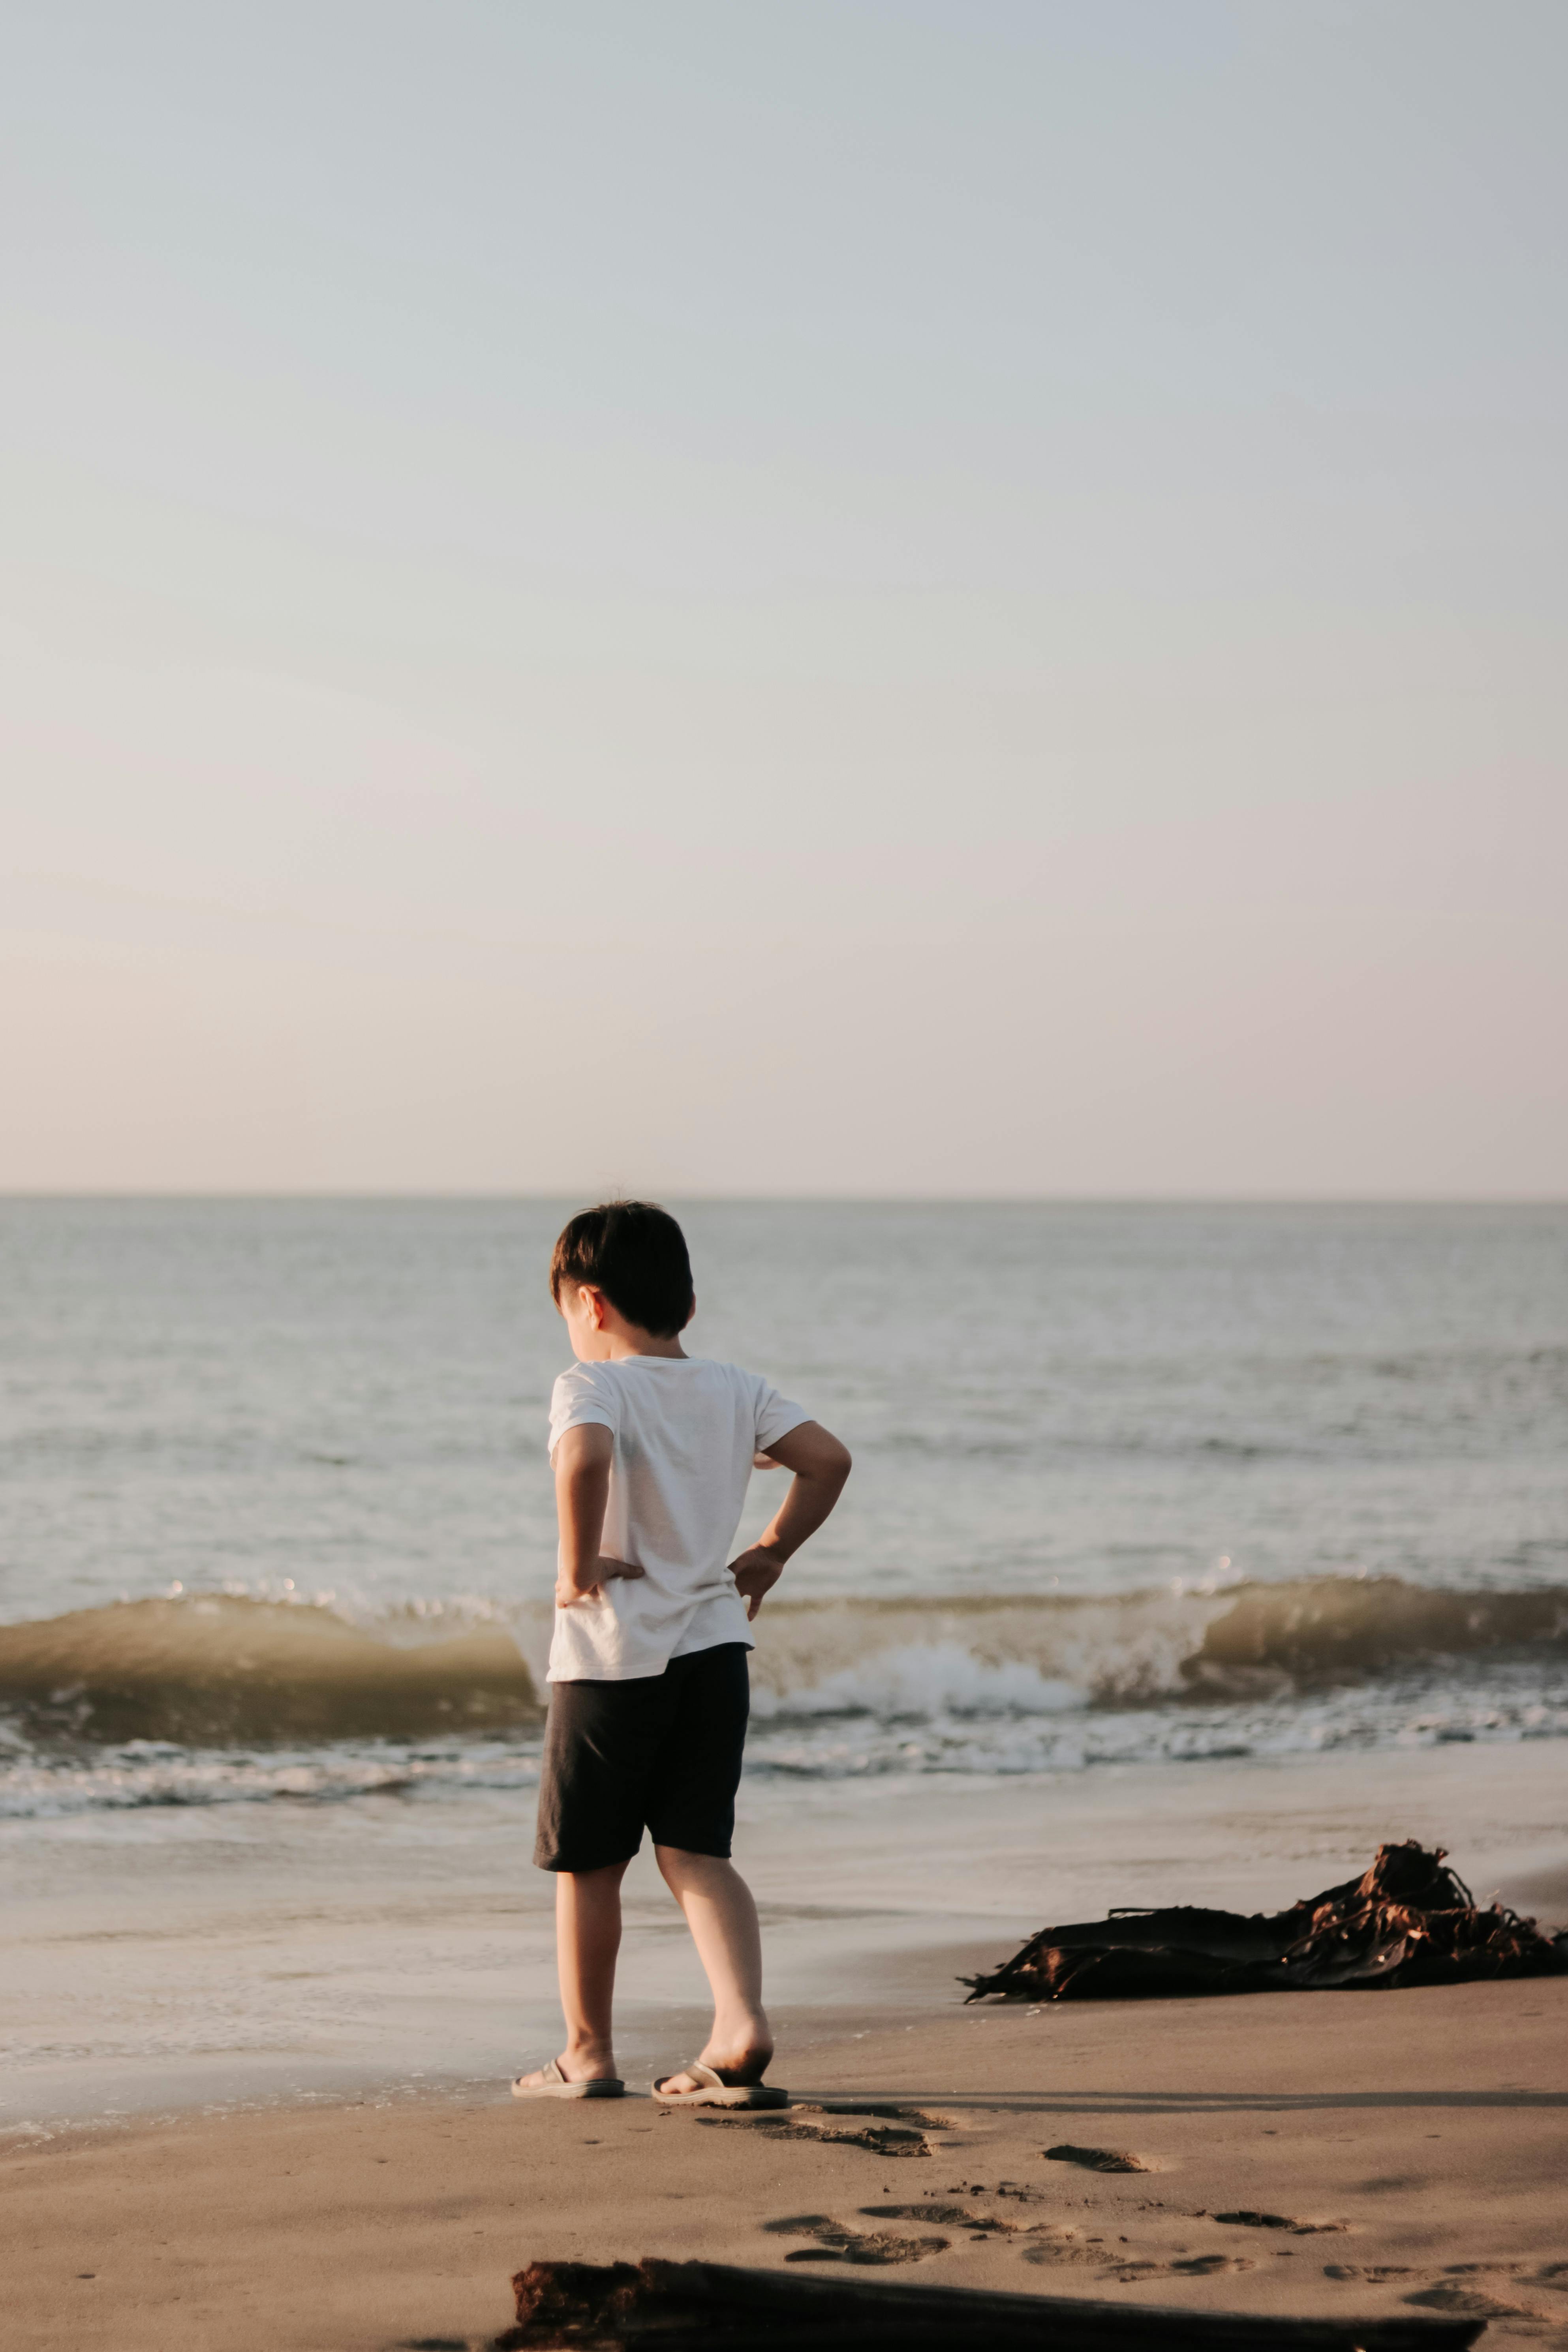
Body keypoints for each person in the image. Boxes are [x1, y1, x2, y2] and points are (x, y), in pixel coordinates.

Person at [511, 1201, 852, 2108]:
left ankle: (587, 2053)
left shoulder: (591, 1386)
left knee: (591, 1865)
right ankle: (740, 2027)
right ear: (688, 1306)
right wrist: (771, 1552)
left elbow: (584, 1461)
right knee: (698, 1852)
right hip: (714, 1650)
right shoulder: (737, 1389)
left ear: (590, 1303)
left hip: (612, 1656)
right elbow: (829, 1461)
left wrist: (576, 1567)